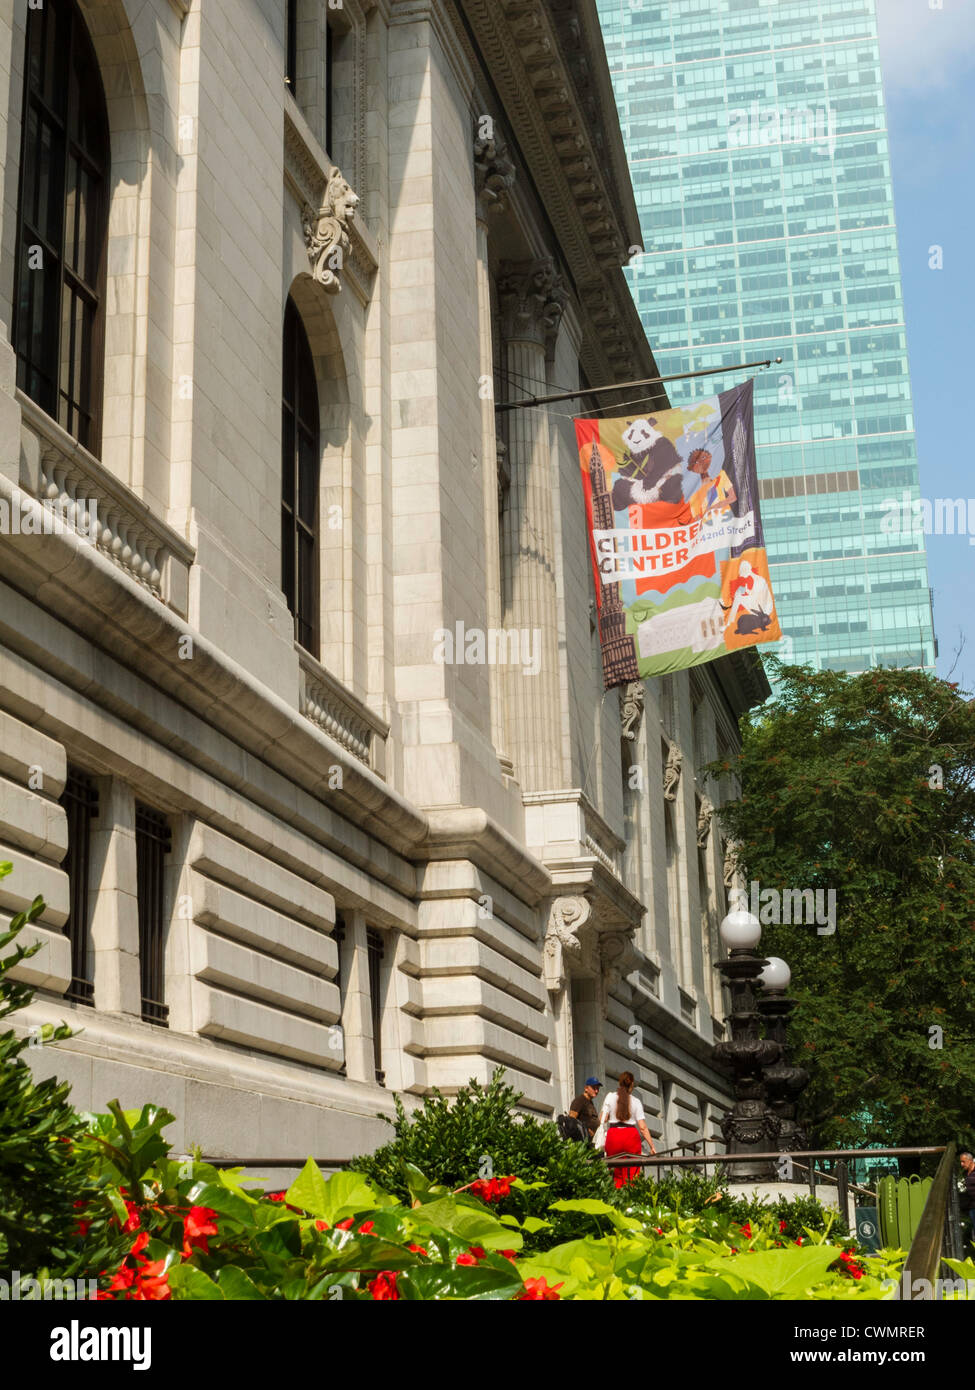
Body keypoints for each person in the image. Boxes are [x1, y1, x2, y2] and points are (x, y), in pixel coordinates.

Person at [599, 1071, 656, 1188]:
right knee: (632, 1171)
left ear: (620, 1084)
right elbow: (642, 1127)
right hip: (630, 1136)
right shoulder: (636, 1102)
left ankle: (617, 1196)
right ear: (632, 1085)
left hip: (614, 1136)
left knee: (614, 1170)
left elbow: (602, 1119)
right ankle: (631, 1195)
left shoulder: (610, 1097)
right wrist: (652, 1146)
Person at [959, 1149, 975, 1247]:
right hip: (972, 1208)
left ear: (970, 1161)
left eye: (963, 1162)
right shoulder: (967, 1174)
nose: (961, 1164)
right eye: (960, 1162)